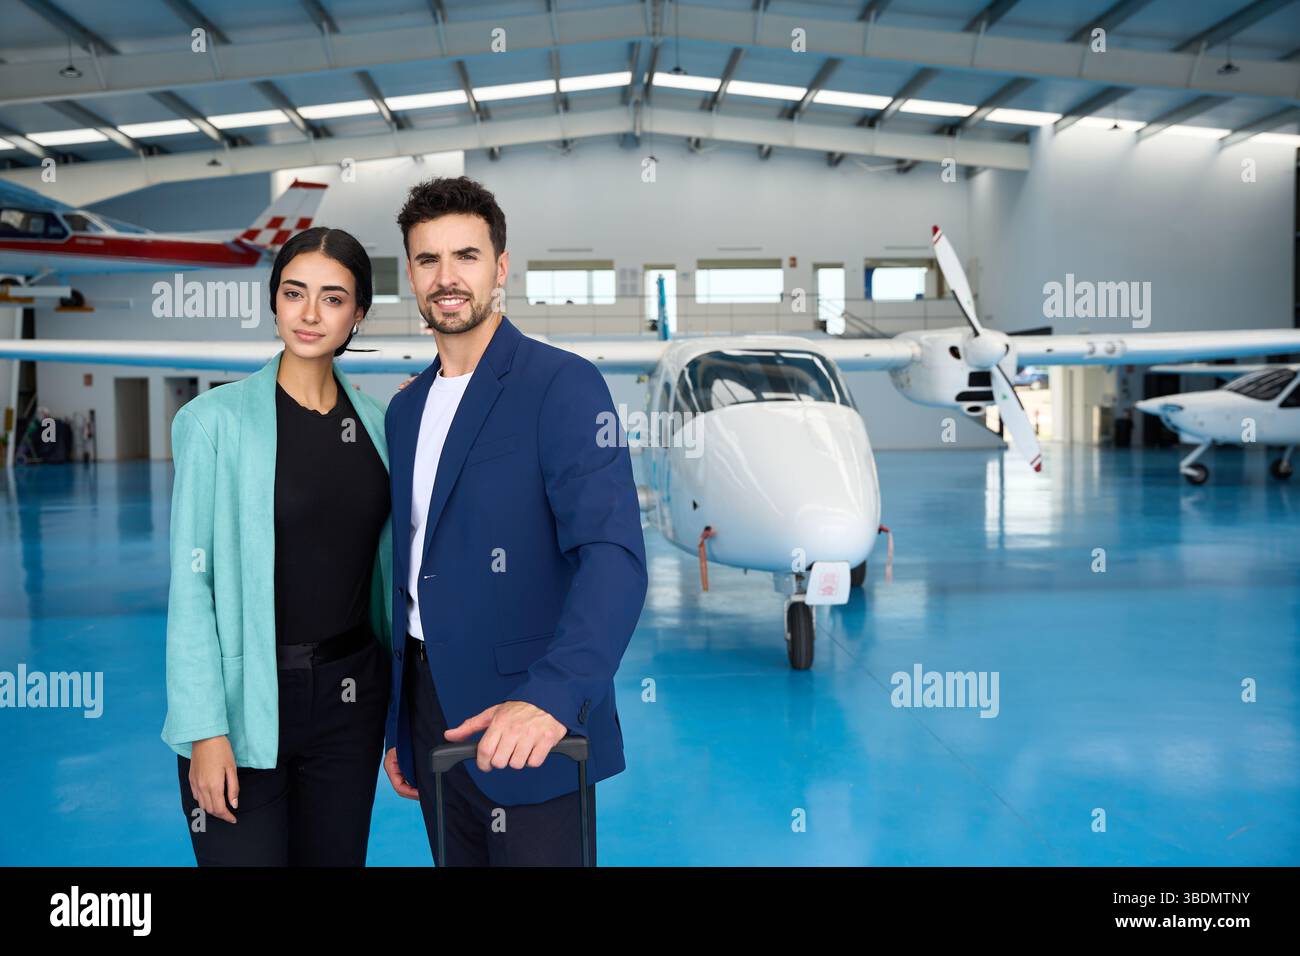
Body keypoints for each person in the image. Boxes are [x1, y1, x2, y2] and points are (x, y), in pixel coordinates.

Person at [382, 176, 647, 866]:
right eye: (427, 259)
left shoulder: (561, 385)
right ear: (410, 274)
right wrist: (398, 724)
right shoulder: (404, 410)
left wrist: (553, 697)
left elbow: (613, 556)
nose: (447, 278)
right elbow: (409, 570)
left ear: (501, 268)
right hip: (428, 706)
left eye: (466, 256)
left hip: (526, 711)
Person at [162, 227, 394, 866]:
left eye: (333, 298)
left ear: (358, 314)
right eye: (294, 293)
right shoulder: (213, 424)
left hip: (352, 700)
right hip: (243, 704)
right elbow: (192, 586)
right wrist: (204, 730)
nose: (311, 314)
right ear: (275, 302)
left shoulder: (379, 427)